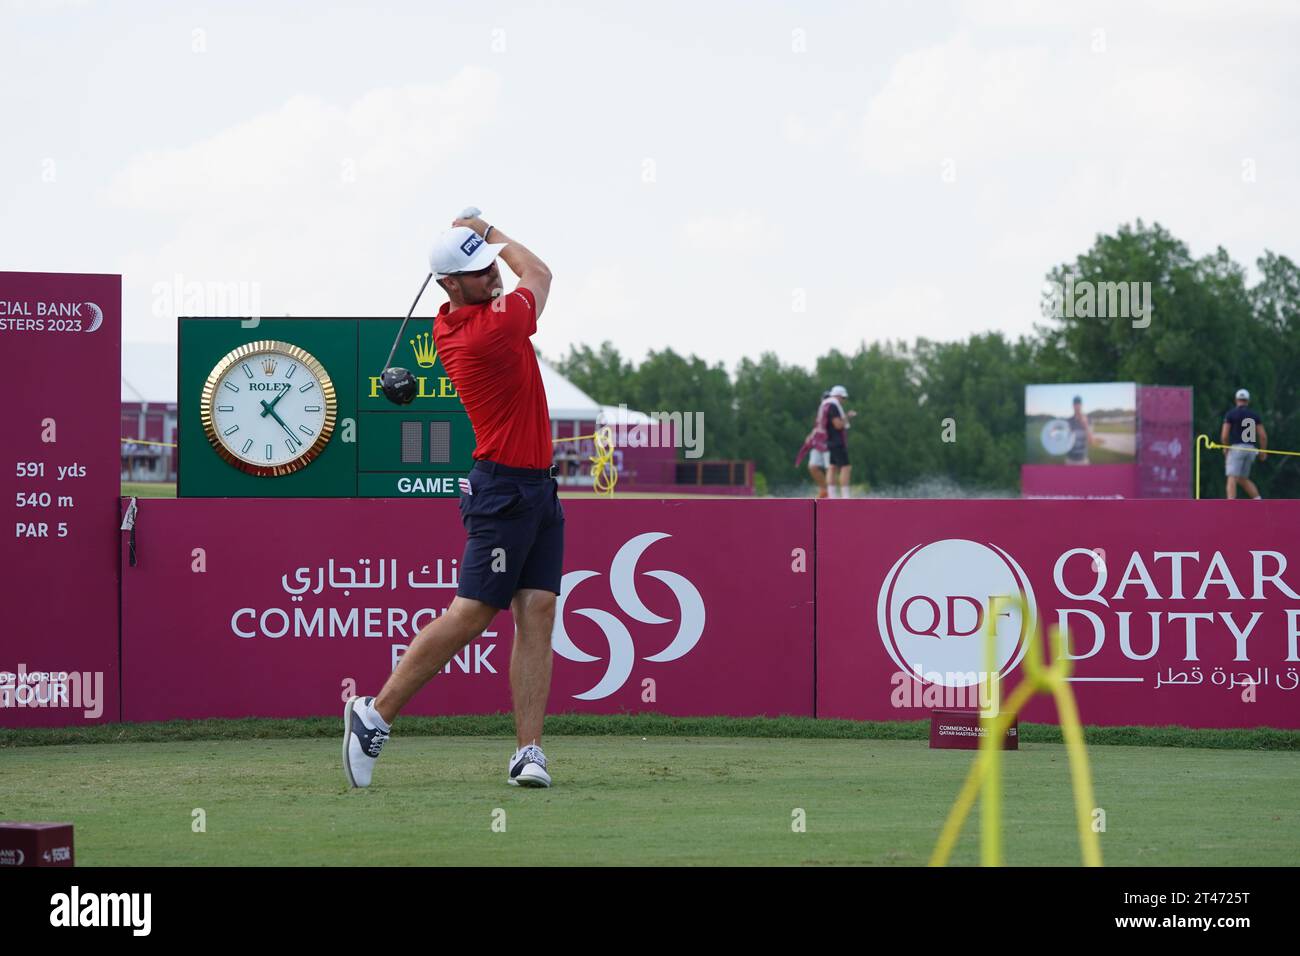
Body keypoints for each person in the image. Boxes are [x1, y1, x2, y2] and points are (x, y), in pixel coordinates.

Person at [344, 213, 560, 789]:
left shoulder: (453, 318)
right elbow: (538, 271)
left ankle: (528, 752)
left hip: (538, 486)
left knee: (537, 608)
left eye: (488, 267)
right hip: (503, 490)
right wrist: (490, 232)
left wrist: (482, 246)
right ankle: (374, 715)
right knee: (473, 614)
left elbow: (516, 277)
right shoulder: (492, 328)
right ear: (448, 285)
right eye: (475, 271)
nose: (490, 275)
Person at [1221, 388, 1268, 499]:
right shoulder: (1254, 415)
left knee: (1231, 477)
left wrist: (1226, 448)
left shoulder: (1231, 414)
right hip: (1250, 449)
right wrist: (1263, 451)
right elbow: (1263, 436)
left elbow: (1224, 435)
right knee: (1242, 478)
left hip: (1237, 448)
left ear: (1236, 400)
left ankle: (1231, 506)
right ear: (1247, 401)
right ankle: (1258, 501)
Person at [796, 390, 833, 498]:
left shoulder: (834, 411)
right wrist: (811, 435)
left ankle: (831, 493)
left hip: (829, 443)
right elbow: (818, 426)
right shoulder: (821, 411)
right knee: (812, 466)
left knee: (829, 468)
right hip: (818, 442)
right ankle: (824, 489)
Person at [824, 385, 855, 497]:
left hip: (830, 441)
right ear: (838, 396)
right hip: (837, 441)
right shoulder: (833, 406)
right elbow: (838, 425)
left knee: (832, 466)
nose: (843, 401)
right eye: (843, 398)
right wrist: (847, 417)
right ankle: (845, 497)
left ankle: (832, 496)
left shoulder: (827, 405)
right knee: (845, 467)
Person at [1064, 395, 1096, 465]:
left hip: (1083, 460)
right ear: (1073, 406)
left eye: (1079, 404)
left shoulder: (1089, 420)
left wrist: (1085, 425)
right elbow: (1064, 442)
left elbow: (1091, 441)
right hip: (1070, 459)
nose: (1077, 406)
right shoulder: (1068, 421)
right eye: (1075, 404)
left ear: (1081, 405)